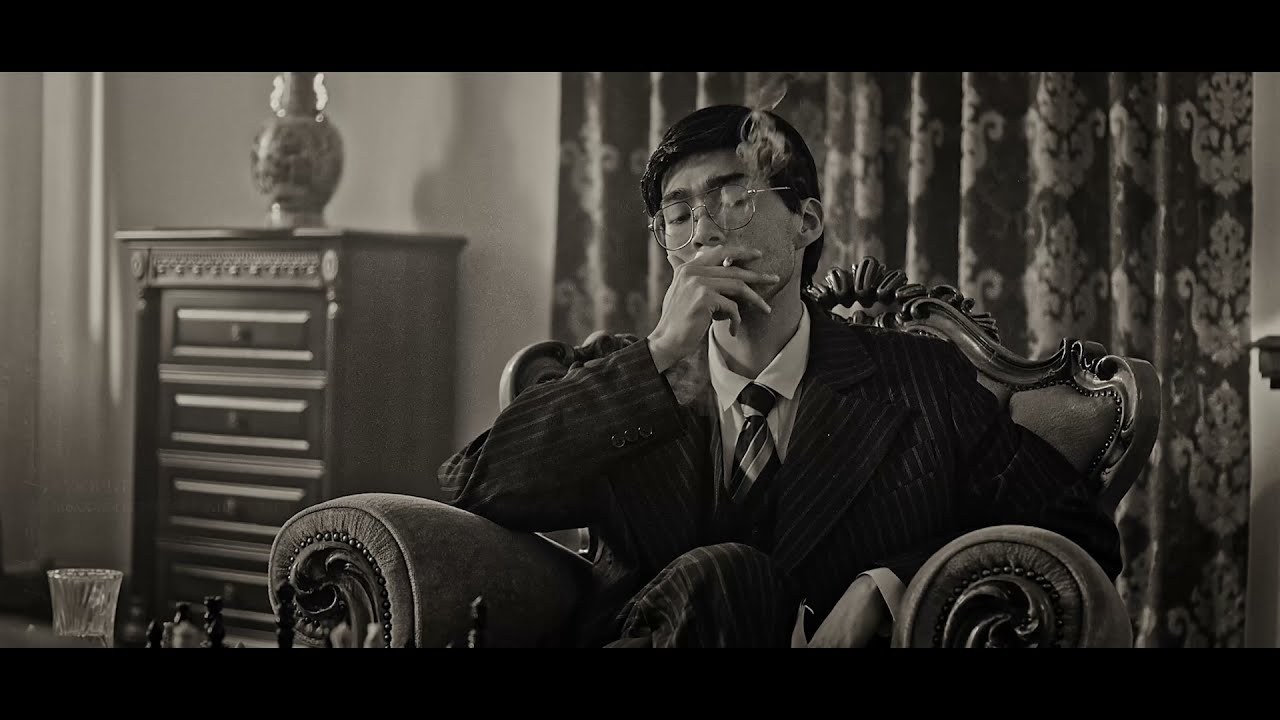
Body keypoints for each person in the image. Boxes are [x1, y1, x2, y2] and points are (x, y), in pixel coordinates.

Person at [439, 104, 1122, 648]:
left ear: (806, 221)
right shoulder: (628, 378)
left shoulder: (920, 381)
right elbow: (476, 486)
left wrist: (887, 585)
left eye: (733, 198)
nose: (704, 231)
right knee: (727, 576)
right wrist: (660, 352)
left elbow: (1076, 530)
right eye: (678, 215)